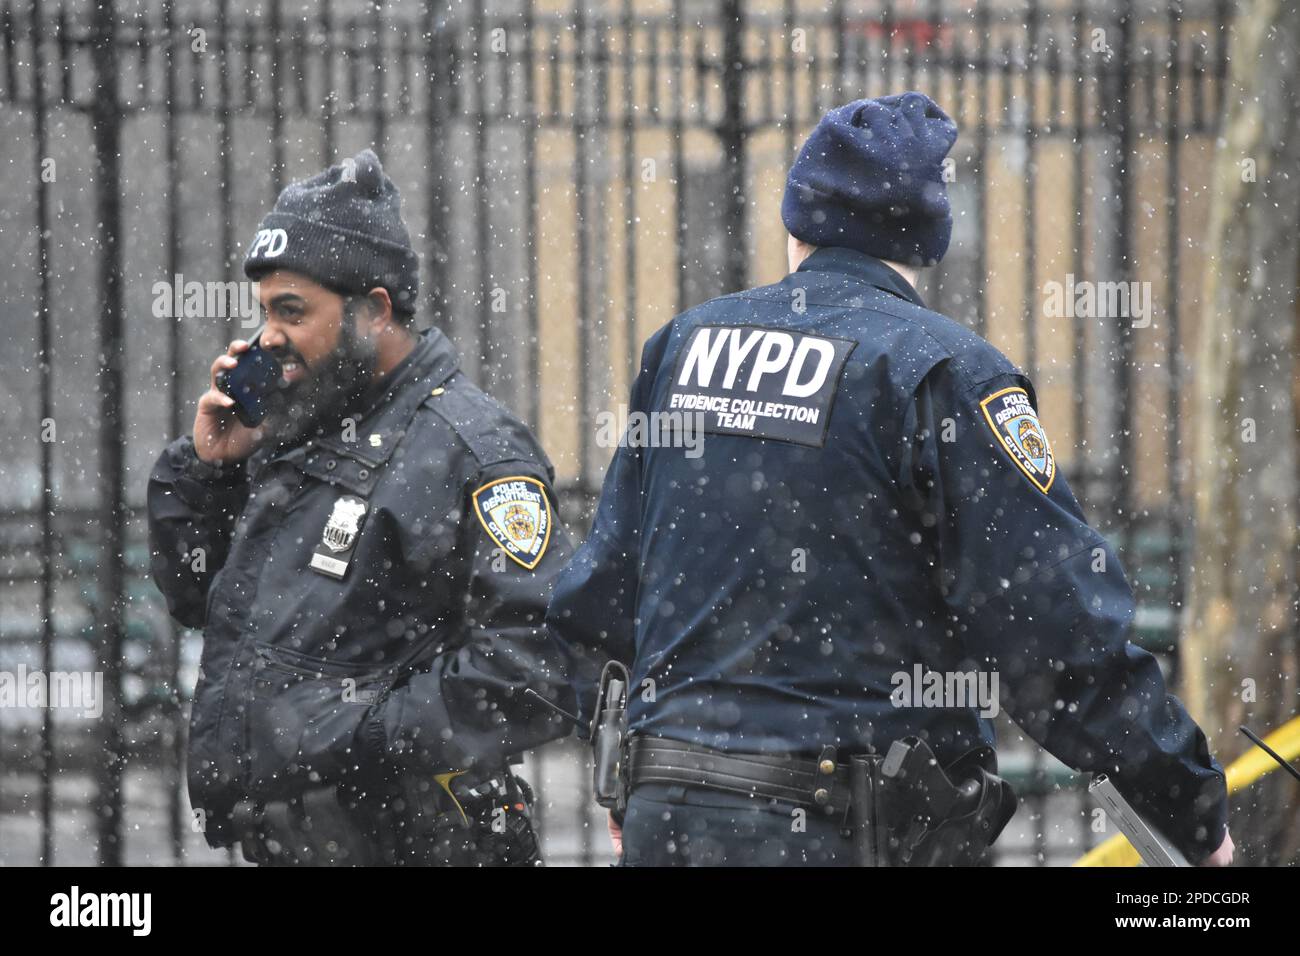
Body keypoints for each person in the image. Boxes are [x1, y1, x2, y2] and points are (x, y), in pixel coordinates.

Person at [544, 93, 1235, 867]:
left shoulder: (679, 349)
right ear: (927, 239)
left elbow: (600, 600)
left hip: (670, 816)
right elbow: (1056, 635)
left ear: (793, 224)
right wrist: (1189, 810)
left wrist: (627, 781)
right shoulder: (941, 371)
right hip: (851, 831)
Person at [147, 149, 573, 865]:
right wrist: (207, 470)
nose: (267, 337)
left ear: (373, 311)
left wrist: (368, 741)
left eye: (292, 311)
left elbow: (540, 657)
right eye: (263, 314)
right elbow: (197, 597)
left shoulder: (470, 447)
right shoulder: (294, 431)